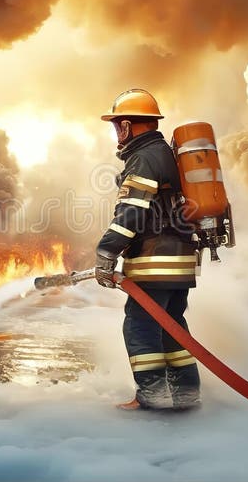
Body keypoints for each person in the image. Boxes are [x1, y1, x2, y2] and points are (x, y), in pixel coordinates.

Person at [94, 88, 202, 411]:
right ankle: (186, 394)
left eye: (117, 126)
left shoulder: (143, 158)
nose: (117, 134)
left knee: (140, 327)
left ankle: (152, 398)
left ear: (127, 126)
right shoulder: (167, 154)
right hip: (181, 262)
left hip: (155, 262)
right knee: (172, 326)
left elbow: (131, 212)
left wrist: (106, 251)